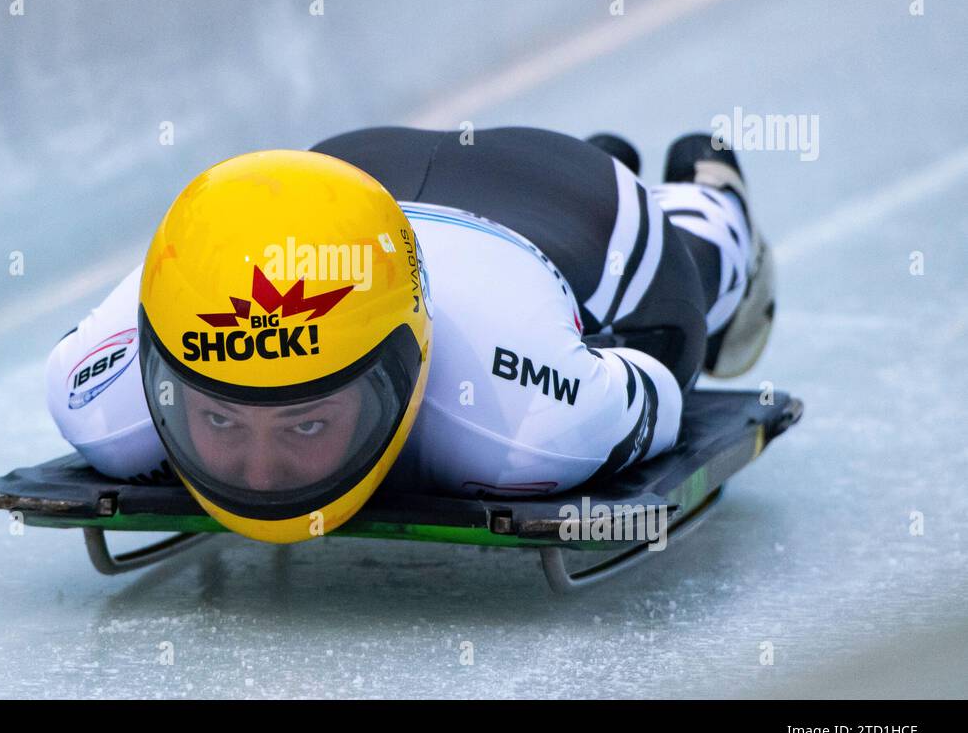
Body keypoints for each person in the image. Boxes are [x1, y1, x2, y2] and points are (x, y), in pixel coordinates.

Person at [45, 127, 774, 543]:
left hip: (581, 206)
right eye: (217, 416)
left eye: (304, 426)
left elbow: (654, 394)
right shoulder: (95, 392)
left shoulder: (537, 425)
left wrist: (583, 341)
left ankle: (706, 202)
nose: (258, 477)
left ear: (402, 376)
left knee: (696, 313)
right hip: (346, 180)